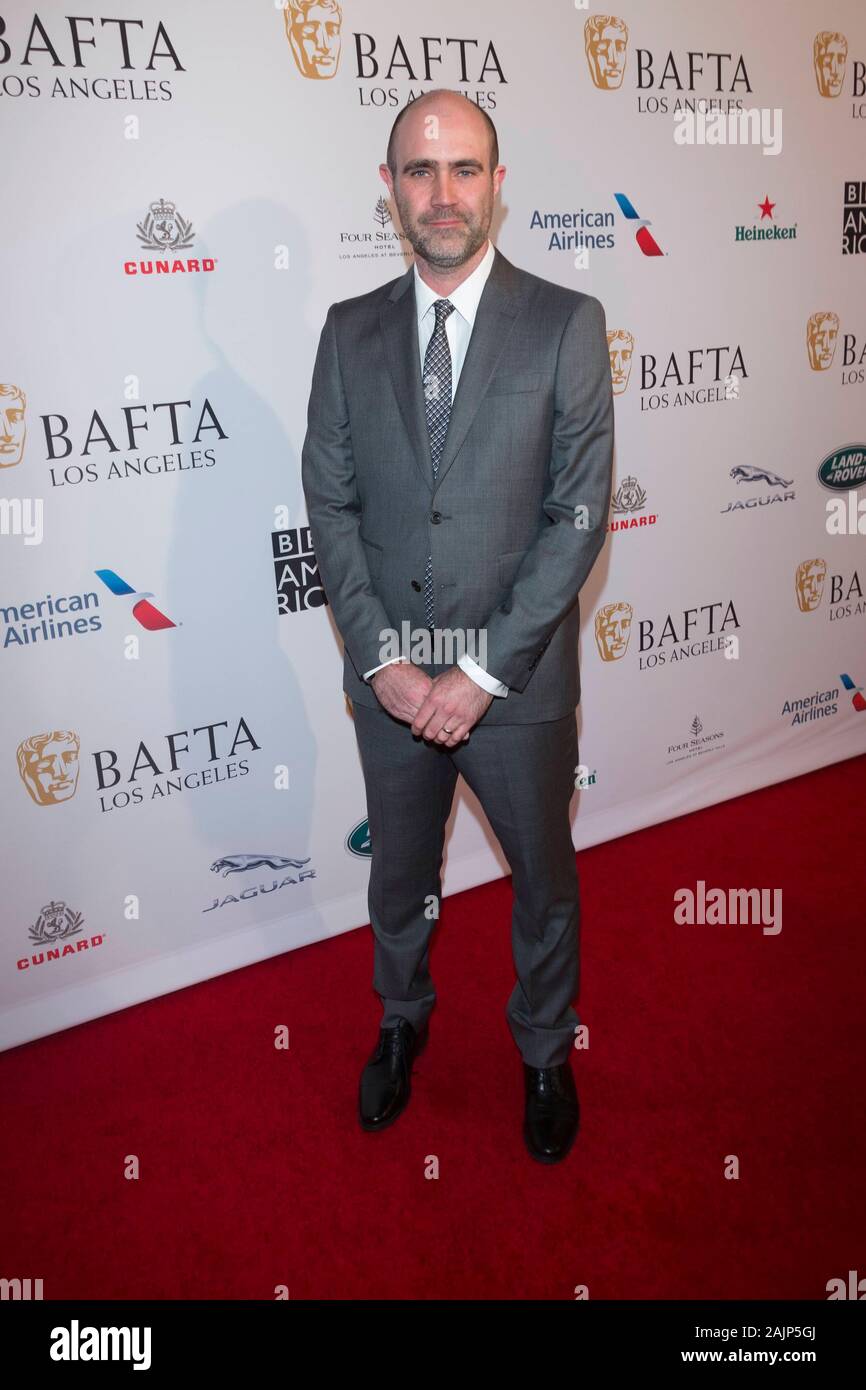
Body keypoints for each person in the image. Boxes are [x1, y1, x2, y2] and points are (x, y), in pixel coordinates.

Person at [301, 88, 614, 1162]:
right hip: (387, 686)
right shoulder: (347, 334)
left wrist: (476, 674)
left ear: (497, 182)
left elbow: (573, 520)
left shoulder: (565, 323)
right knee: (400, 876)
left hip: (515, 688)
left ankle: (541, 1047)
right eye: (420, 171)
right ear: (388, 187)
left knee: (544, 881)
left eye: (464, 169)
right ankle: (401, 1020)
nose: (443, 195)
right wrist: (385, 662)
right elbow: (331, 511)